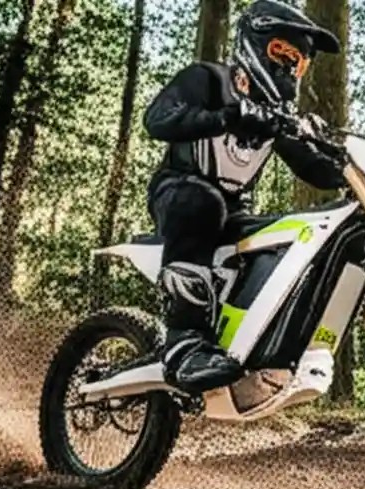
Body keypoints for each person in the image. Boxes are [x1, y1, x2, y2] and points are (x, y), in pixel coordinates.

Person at [143, 0, 347, 394]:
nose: (290, 68)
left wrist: (348, 166)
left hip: (234, 211)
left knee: (284, 238)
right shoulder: (207, 79)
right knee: (204, 202)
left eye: (298, 63)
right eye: (282, 54)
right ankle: (183, 342)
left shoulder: (278, 116)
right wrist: (228, 115)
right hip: (178, 191)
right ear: (255, 41)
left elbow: (314, 170)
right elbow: (157, 120)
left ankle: (258, 350)